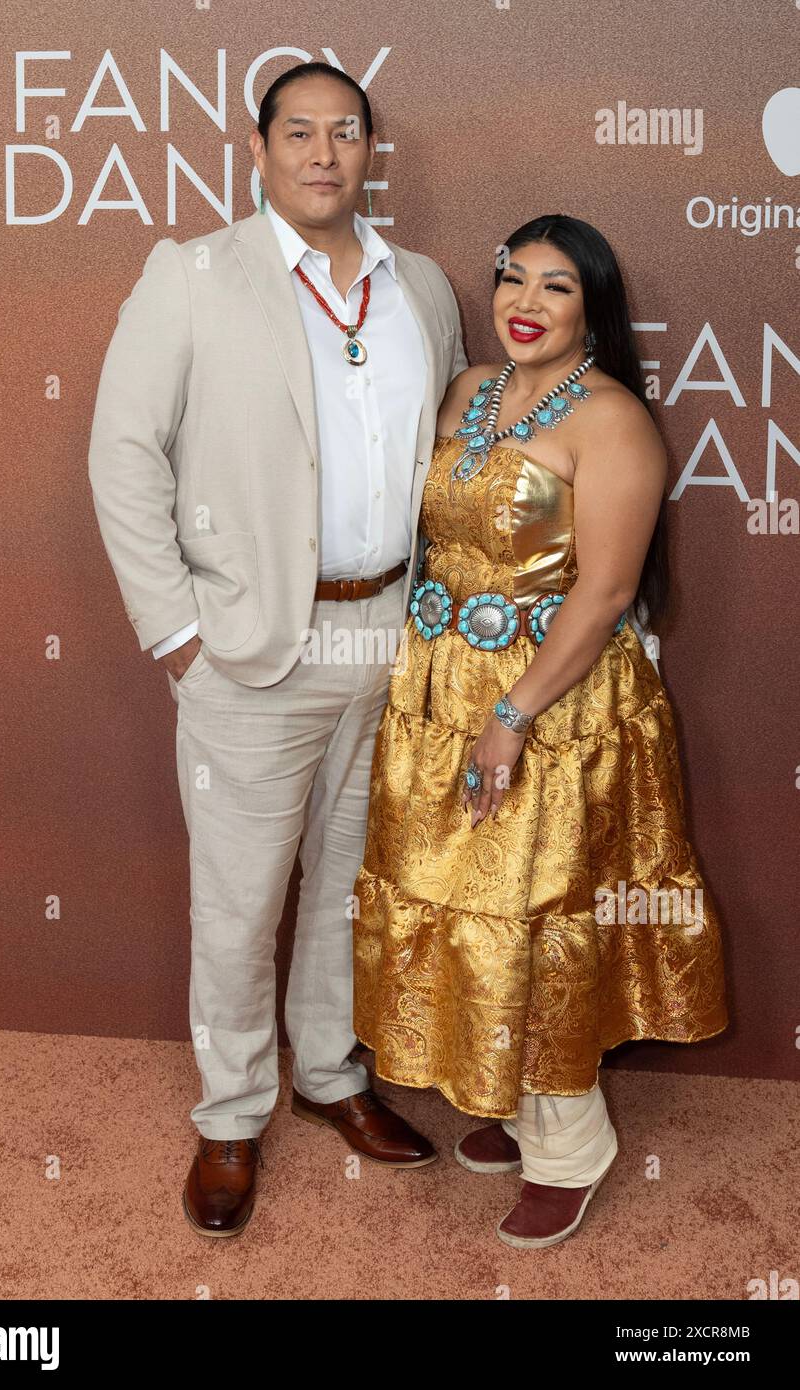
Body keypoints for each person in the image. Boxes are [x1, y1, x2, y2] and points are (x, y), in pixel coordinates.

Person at [87, 61, 469, 1237]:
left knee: (352, 888)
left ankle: (330, 1075)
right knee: (240, 900)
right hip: (252, 642)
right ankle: (231, 1111)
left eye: (342, 133)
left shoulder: (425, 287)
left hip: (389, 631)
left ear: (368, 151)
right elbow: (123, 456)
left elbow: (451, 462)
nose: (321, 153)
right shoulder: (193, 276)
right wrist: (181, 635)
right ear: (258, 151)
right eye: (296, 132)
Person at [351, 214, 729, 1249]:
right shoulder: (469, 390)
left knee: (531, 911)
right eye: (511, 277)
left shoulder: (612, 422)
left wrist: (510, 718)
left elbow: (604, 593)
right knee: (456, 898)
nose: (524, 301)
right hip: (438, 688)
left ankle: (571, 1143)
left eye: (554, 287)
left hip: (549, 702)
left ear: (590, 306)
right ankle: (516, 1096)